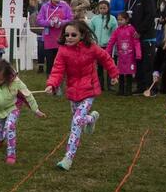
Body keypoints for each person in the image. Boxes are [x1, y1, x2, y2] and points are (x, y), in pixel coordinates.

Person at [45, 21, 119, 171]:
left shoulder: (91, 48)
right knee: (78, 122)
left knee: (77, 121)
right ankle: (91, 119)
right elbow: (57, 70)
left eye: (74, 34)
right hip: (73, 92)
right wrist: (52, 84)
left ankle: (68, 158)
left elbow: (105, 58)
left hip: (89, 90)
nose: (70, 37)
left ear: (82, 35)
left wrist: (114, 73)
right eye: (67, 35)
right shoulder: (63, 51)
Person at [0, 59, 46, 164]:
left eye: (0, 79)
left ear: (7, 76)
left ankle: (11, 154)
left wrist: (36, 110)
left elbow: (27, 95)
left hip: (12, 108)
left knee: (10, 126)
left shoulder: (16, 82)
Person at [123, 0, 156, 93]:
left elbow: (150, 16)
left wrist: (140, 31)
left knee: (148, 63)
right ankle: (140, 86)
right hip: (134, 36)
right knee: (138, 62)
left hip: (147, 36)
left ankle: (151, 87)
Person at [36, 0, 73, 76]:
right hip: (49, 39)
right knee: (50, 62)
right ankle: (51, 84)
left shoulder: (65, 6)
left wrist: (61, 23)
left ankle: (61, 83)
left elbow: (71, 19)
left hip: (62, 38)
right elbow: (39, 20)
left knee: (61, 62)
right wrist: (49, 23)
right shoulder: (45, 7)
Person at [105, 12, 140, 96]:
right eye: (118, 20)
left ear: (127, 20)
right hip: (121, 56)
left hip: (130, 56)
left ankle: (128, 91)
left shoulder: (131, 29)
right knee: (120, 73)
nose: (119, 21)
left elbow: (136, 41)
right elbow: (111, 42)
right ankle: (121, 90)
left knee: (129, 73)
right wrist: (107, 53)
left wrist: (138, 53)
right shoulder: (117, 30)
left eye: (121, 19)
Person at [87, 0, 118, 90]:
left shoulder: (112, 19)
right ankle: (100, 85)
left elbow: (115, 32)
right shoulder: (94, 19)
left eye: (104, 8)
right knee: (98, 67)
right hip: (97, 46)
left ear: (108, 8)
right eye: (101, 8)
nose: (102, 10)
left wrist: (111, 43)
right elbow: (90, 30)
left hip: (108, 46)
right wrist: (93, 41)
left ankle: (110, 84)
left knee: (109, 65)